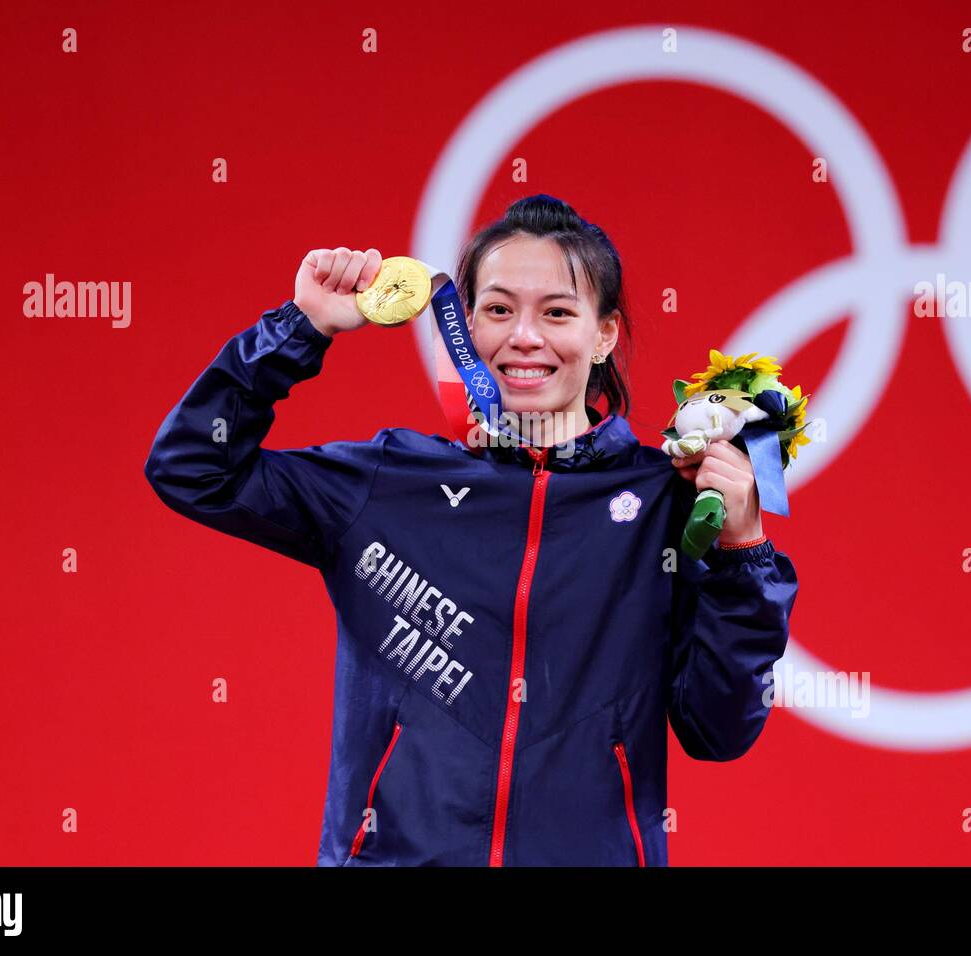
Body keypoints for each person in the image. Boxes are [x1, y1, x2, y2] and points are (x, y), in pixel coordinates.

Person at [143, 194, 798, 866]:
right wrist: (300, 329)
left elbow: (719, 729)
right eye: (498, 308)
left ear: (604, 334)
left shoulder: (665, 501)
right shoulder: (391, 482)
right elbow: (192, 468)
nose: (524, 336)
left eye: (558, 313)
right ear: (464, 323)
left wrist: (741, 552)